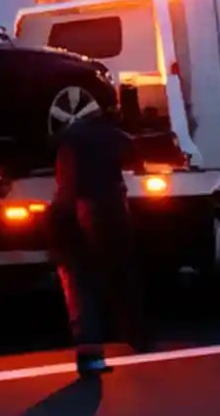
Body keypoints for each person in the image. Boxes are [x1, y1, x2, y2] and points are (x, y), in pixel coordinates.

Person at [46, 86, 153, 377]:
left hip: (77, 211)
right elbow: (135, 157)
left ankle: (90, 354)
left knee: (79, 282)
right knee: (120, 273)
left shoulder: (68, 138)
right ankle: (137, 335)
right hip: (110, 212)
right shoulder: (114, 135)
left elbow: (59, 169)